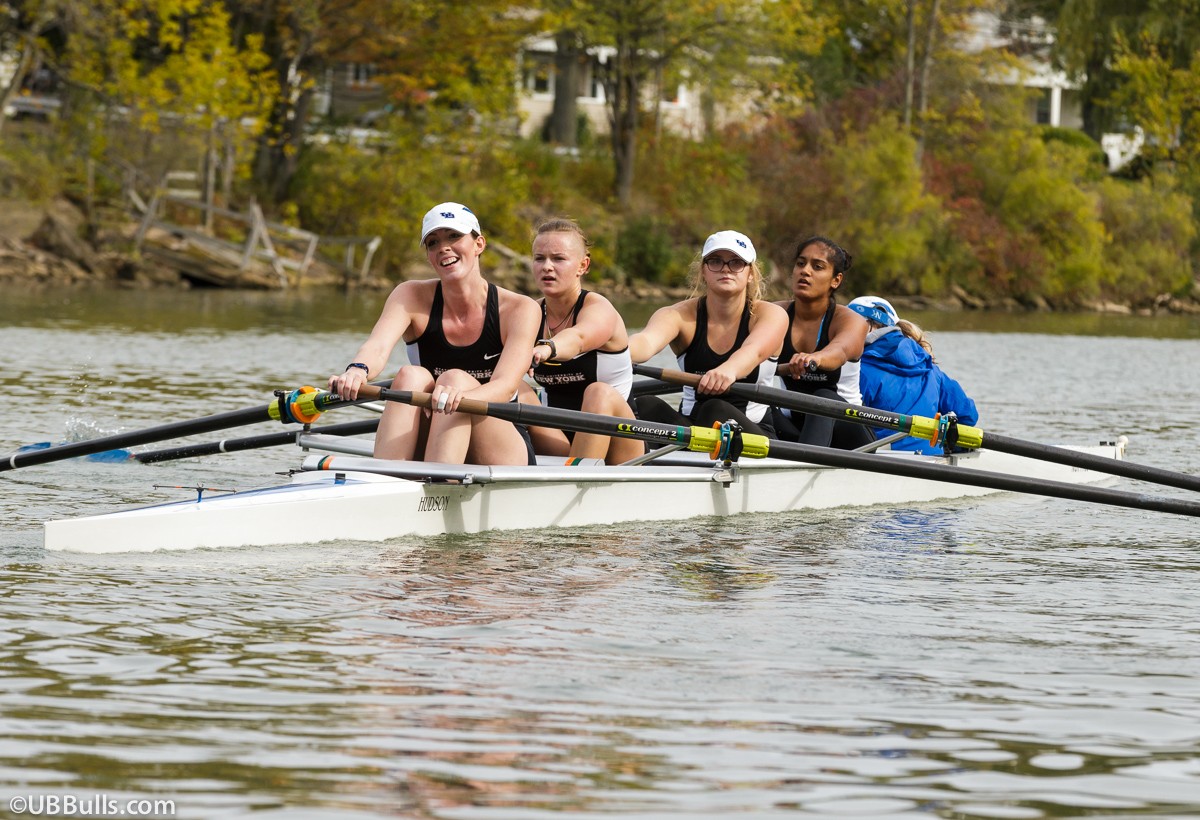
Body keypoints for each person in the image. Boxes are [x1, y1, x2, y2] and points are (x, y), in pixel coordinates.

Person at [328, 202, 540, 465]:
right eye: (433, 242)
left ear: (479, 244)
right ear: (429, 256)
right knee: (409, 376)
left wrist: (454, 397)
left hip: (501, 443)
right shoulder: (410, 295)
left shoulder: (520, 308)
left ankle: (439, 485)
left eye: (454, 236)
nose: (443, 248)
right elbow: (378, 347)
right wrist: (357, 370)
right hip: (438, 427)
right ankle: (388, 480)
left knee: (455, 380)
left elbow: (505, 386)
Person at [630, 230, 788, 437]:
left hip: (753, 435)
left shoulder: (771, 314)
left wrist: (729, 370)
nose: (726, 269)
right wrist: (615, 349)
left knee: (715, 408)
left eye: (736, 262)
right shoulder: (678, 315)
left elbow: (754, 351)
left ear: (750, 274)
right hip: (689, 430)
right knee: (643, 404)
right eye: (715, 261)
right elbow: (645, 341)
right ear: (703, 271)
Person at [519, 217, 641, 464]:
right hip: (560, 438)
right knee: (516, 390)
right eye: (539, 258)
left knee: (598, 393)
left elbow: (578, 337)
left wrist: (547, 348)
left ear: (583, 266)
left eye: (558, 258)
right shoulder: (528, 312)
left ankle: (576, 481)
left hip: (618, 440)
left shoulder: (599, 308)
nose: (547, 267)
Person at [771, 235, 875, 449]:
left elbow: (840, 351)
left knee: (823, 396)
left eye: (817, 267)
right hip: (797, 426)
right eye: (800, 263)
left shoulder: (851, 320)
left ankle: (801, 469)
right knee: (760, 406)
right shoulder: (774, 313)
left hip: (850, 433)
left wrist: (814, 358)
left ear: (835, 280)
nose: (805, 271)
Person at [847, 295, 979, 454]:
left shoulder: (857, 370)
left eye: (845, 325)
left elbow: (840, 425)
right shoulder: (930, 367)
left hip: (882, 464)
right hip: (931, 462)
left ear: (869, 327)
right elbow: (968, 415)